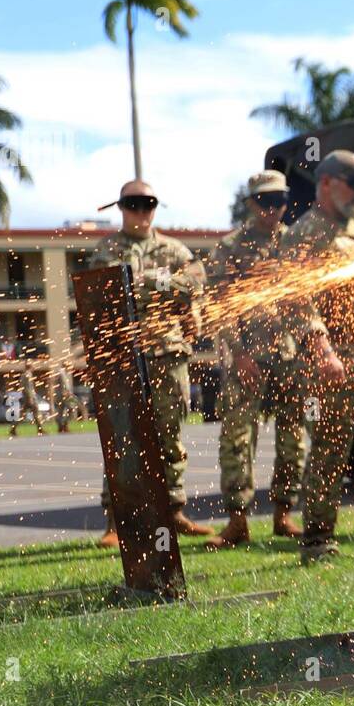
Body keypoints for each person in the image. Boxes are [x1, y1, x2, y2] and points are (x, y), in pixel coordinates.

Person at [89, 178, 213, 547]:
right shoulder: (106, 251)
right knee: (123, 437)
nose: (141, 212)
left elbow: (194, 283)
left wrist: (148, 281)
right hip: (124, 356)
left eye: (148, 204)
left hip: (168, 354)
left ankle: (173, 511)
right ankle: (118, 521)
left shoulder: (174, 249)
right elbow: (103, 293)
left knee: (170, 436)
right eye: (133, 204)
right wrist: (161, 283)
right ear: (120, 208)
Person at [280, 150, 354, 565]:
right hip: (329, 358)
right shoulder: (305, 232)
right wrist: (322, 349)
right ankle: (317, 539)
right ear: (325, 183)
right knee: (330, 447)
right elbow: (294, 297)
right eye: (352, 180)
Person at [204, 169, 307, 549]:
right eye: (265, 201)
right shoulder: (230, 247)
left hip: (290, 356)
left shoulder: (295, 244)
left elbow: (306, 299)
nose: (272, 208)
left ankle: (283, 515)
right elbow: (220, 305)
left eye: (279, 200)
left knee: (293, 436)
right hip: (247, 358)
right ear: (251, 203)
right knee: (237, 438)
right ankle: (237, 520)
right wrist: (240, 353)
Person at [10, 362, 45, 436]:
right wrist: (30, 398)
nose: (34, 367)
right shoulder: (28, 375)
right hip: (30, 398)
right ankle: (40, 429)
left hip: (26, 397)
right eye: (33, 365)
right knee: (36, 413)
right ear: (30, 366)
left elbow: (21, 387)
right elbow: (28, 388)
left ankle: (13, 429)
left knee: (22, 415)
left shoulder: (23, 375)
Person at [54, 364, 77, 433]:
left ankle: (61, 426)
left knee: (60, 412)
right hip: (64, 395)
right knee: (71, 408)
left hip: (62, 394)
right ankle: (64, 425)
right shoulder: (62, 372)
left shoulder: (62, 372)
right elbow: (65, 384)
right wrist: (68, 393)